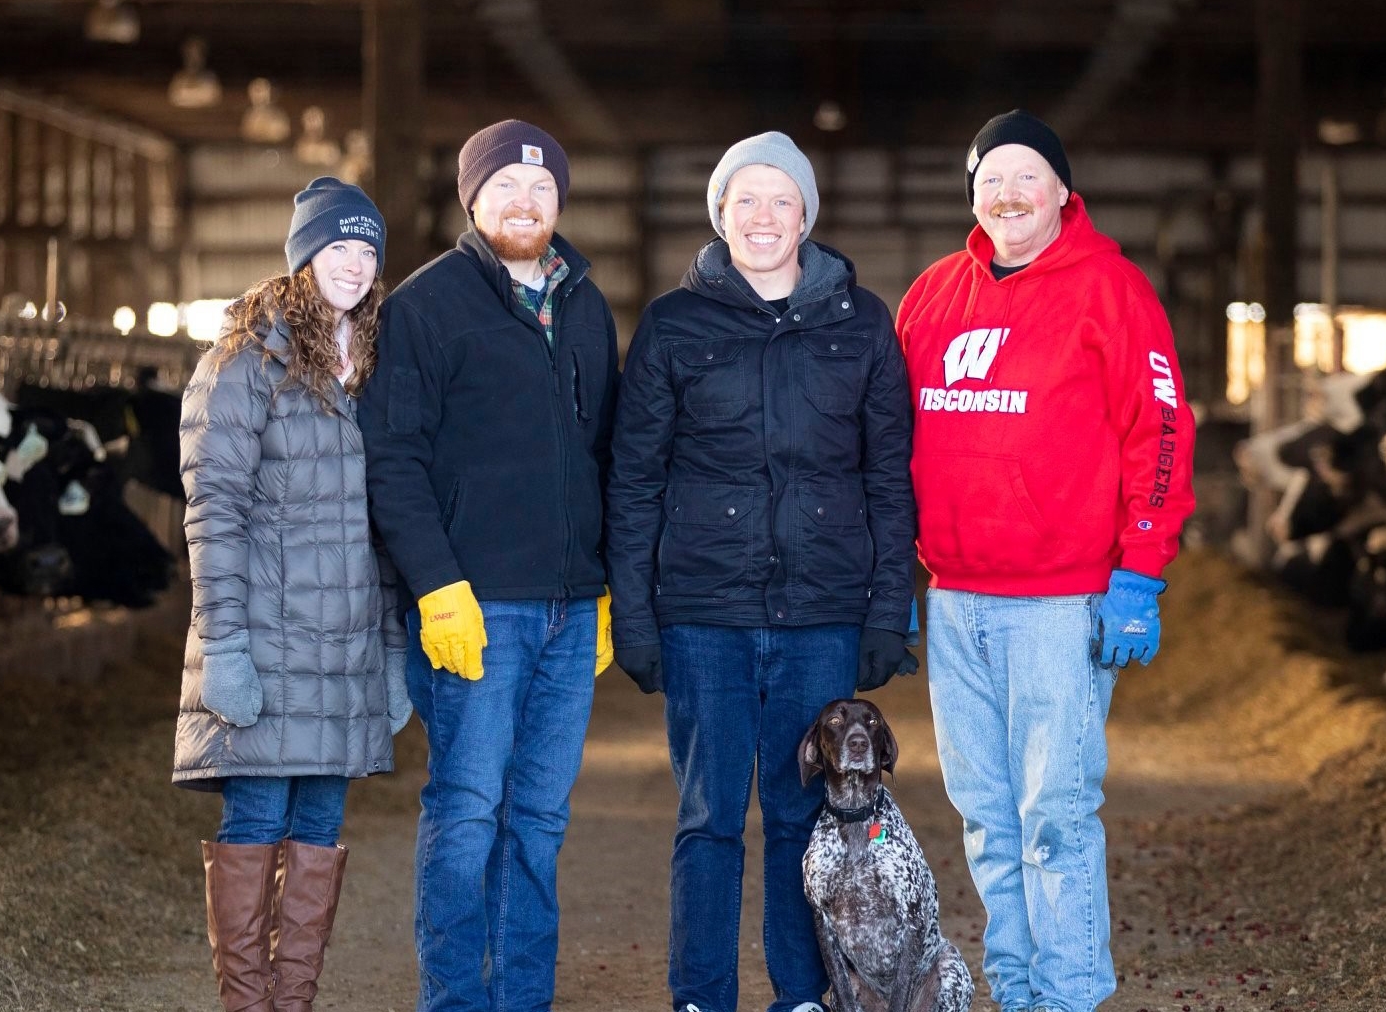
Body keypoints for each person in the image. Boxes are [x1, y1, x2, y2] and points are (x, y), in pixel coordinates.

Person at [605, 131, 917, 1012]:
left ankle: (800, 997)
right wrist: (636, 615)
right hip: (704, 614)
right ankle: (701, 996)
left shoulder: (861, 324)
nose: (764, 217)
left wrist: (888, 611)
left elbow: (890, 478)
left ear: (808, 215)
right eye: (746, 199)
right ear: (721, 214)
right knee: (708, 819)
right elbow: (633, 479)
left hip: (821, 614)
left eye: (783, 200)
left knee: (799, 816)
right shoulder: (674, 323)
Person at [895, 111, 1197, 1012]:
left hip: (1061, 604)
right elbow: (887, 439)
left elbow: (1164, 431)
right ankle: (1016, 993)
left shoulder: (1112, 290)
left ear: (1063, 191)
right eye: (992, 178)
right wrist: (889, 573)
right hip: (955, 601)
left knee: (1055, 820)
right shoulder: (932, 296)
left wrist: (1141, 569)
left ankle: (1067, 998)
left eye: (1029, 176)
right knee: (988, 821)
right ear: (972, 192)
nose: (1009, 193)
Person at [357, 119, 618, 1012]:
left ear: (560, 202)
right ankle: (456, 1002)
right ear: (473, 199)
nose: (524, 202)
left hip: (570, 607)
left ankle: (522, 1000)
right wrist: (436, 586)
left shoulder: (585, 304)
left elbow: (602, 453)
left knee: (539, 820)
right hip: (475, 606)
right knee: (468, 812)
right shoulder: (425, 308)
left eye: (541, 189)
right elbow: (391, 459)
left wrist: (605, 580)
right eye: (504, 186)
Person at [172, 175, 407, 1012]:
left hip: (341, 653)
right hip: (265, 647)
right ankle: (249, 1004)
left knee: (318, 836)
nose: (354, 262)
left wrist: (389, 654)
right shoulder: (244, 363)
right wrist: (225, 647)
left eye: (367, 247)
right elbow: (213, 512)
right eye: (338, 245)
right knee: (256, 826)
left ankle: (294, 1001)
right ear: (303, 256)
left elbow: (383, 527)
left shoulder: (371, 369)